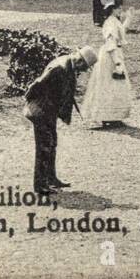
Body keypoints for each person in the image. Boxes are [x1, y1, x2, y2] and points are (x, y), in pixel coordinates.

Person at [23, 45, 98, 194]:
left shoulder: (68, 65)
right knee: (44, 147)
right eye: (84, 68)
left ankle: (51, 178)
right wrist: (31, 102)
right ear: (80, 61)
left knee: (52, 144)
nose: (83, 72)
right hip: (41, 110)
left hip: (49, 110)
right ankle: (40, 185)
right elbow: (37, 84)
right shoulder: (61, 67)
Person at [82, 0, 134, 127]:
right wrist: (117, 63)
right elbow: (111, 43)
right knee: (110, 84)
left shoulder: (114, 21)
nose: (120, 10)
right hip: (110, 56)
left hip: (113, 53)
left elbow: (121, 32)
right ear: (113, 9)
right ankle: (107, 116)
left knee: (115, 85)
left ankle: (113, 116)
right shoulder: (111, 22)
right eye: (119, 8)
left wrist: (129, 19)